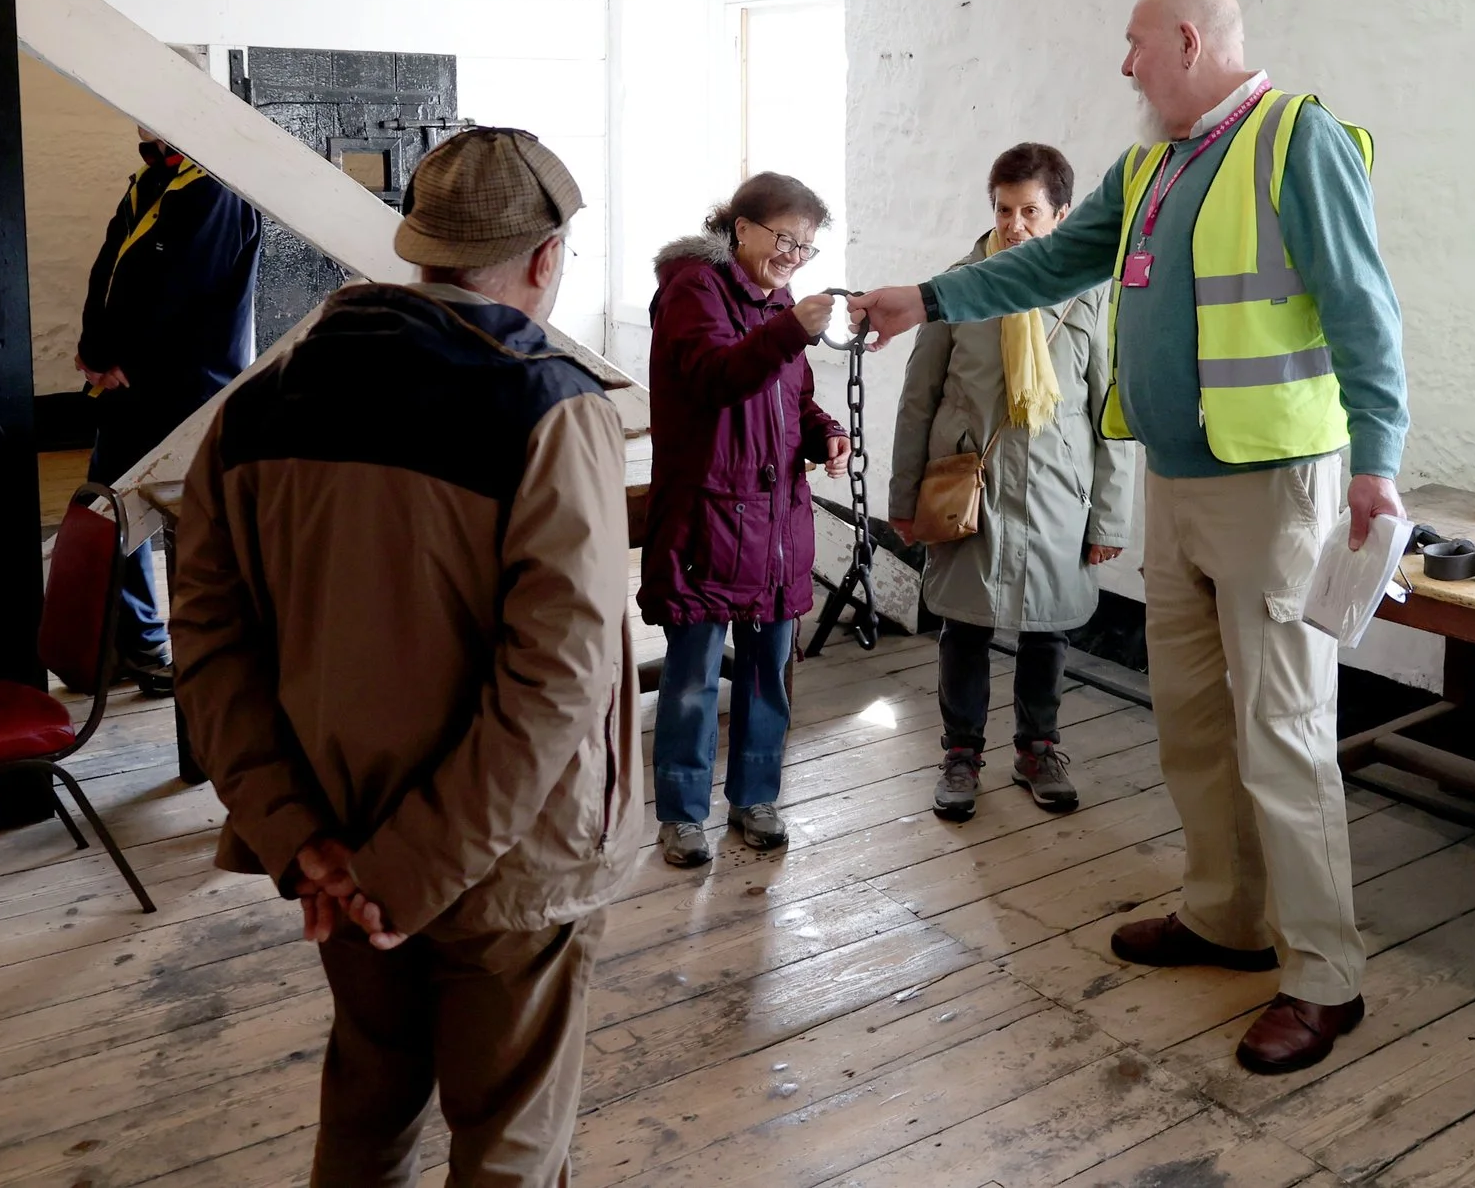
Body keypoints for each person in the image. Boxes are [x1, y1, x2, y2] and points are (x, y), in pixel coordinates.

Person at [852, 0, 1408, 1078]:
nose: (1125, 66)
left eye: (1135, 44)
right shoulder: (1152, 167)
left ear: (1189, 41)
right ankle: (1224, 915)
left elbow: (1363, 304)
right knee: (1195, 722)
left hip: (1278, 487)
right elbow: (1058, 258)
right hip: (1179, 483)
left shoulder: (1297, 141)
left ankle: (1323, 976)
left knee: (1284, 734)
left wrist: (1378, 462)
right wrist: (929, 295)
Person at [170, 127, 639, 1187]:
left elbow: (208, 646)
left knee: (369, 1107)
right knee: (511, 1136)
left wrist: (305, 844)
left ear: (419, 247)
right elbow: (560, 674)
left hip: (336, 843)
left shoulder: (256, 405)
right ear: (545, 255)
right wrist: (413, 871)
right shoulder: (552, 405)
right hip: (505, 864)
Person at [888, 143, 1137, 822]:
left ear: (1061, 215)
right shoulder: (958, 286)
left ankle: (1039, 747)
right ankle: (960, 753)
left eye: (1031, 211)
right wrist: (902, 501)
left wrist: (1110, 519)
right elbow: (919, 400)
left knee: (1047, 628)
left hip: (1058, 491)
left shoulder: (1089, 295)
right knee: (963, 627)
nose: (1014, 226)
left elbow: (1111, 409)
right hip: (970, 488)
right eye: (1004, 209)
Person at [641, 172, 850, 868]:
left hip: (776, 525)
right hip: (709, 520)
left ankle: (756, 796)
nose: (794, 254)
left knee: (768, 675)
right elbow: (714, 376)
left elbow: (792, 397)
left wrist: (823, 433)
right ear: (740, 228)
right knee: (695, 677)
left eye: (807, 245)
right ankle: (681, 812)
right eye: (784, 237)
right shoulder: (692, 291)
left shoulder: (778, 300)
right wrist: (792, 330)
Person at [75, 128, 261, 696]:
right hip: (133, 380)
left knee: (174, 519)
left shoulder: (215, 190)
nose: (138, 120)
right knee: (108, 505)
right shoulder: (156, 179)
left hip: (180, 386)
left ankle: (176, 653)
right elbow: (112, 269)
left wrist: (115, 359)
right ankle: (139, 642)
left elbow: (177, 295)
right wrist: (93, 351)